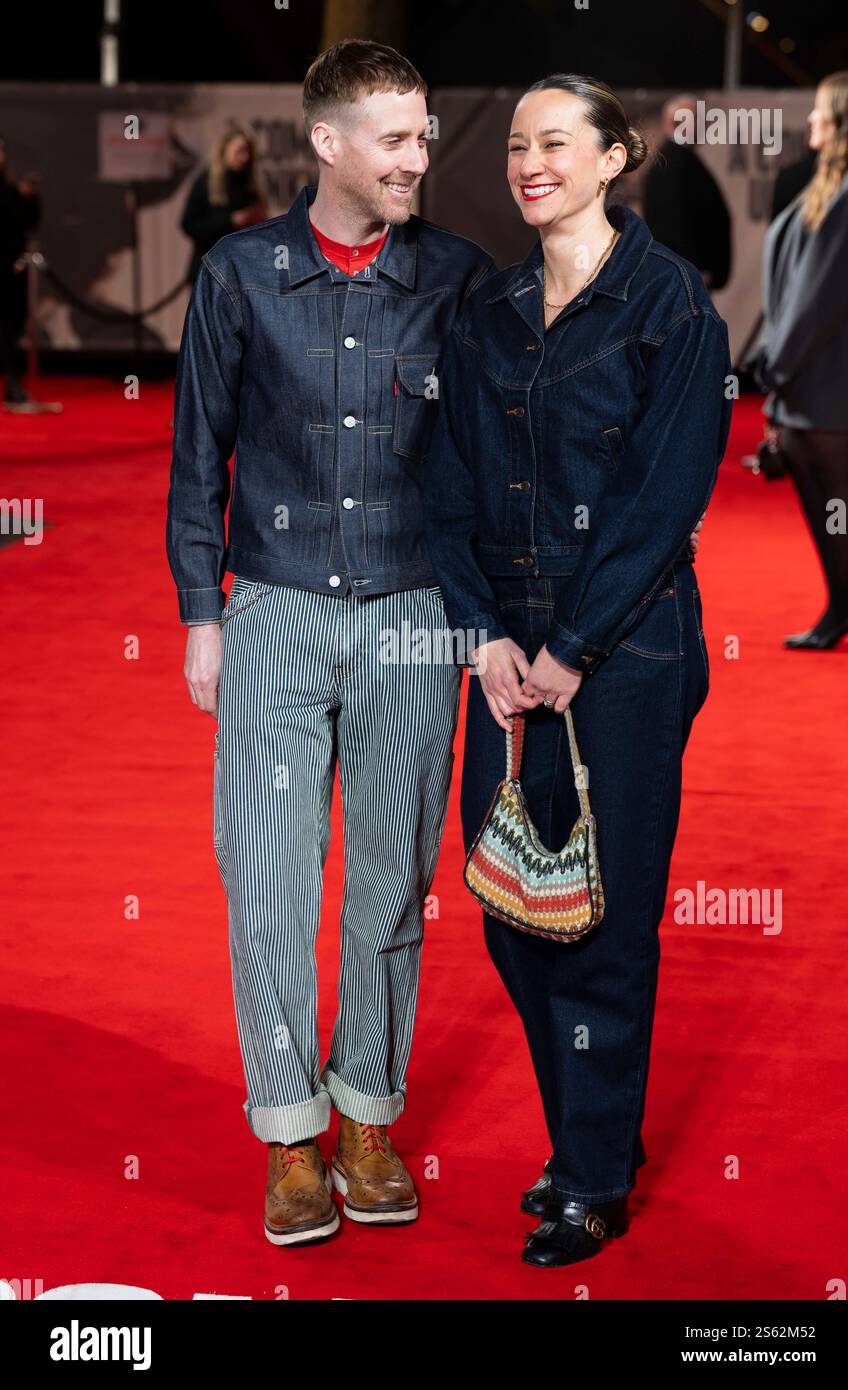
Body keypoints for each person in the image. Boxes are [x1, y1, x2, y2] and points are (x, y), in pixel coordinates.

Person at [166, 40, 494, 1247]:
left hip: (414, 615)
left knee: (390, 884)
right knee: (265, 885)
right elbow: (198, 451)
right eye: (397, 139)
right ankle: (289, 1136)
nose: (419, 157)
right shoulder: (239, 274)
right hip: (276, 608)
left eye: (422, 135)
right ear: (329, 145)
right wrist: (202, 615)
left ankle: (367, 1115)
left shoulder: (455, 276)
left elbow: (488, 458)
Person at [424, 73, 733, 1267]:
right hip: (503, 657)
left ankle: (590, 1172)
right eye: (515, 144)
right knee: (508, 907)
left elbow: (662, 506)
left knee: (602, 925)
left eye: (555, 142)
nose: (528, 161)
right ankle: (588, 1136)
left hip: (628, 655)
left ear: (613, 160)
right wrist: (483, 635)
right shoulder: (487, 310)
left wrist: (570, 650)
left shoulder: (672, 310)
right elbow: (447, 487)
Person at [749, 71, 848, 650]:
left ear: (844, 122)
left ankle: (844, 607)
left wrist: (774, 364)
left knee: (837, 493)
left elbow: (821, 299)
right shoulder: (835, 184)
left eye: (822, 111)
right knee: (822, 485)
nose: (812, 119)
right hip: (811, 368)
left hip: (827, 371)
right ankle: (843, 605)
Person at [642, 93, 731, 292]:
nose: (704, 127)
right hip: (685, 280)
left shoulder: (681, 161)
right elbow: (671, 225)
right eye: (698, 121)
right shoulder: (672, 164)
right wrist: (692, 270)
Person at [179, 126, 269, 285]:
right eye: (239, 151)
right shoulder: (206, 183)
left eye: (248, 152)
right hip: (208, 269)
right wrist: (230, 220)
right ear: (225, 150)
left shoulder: (250, 186)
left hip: (243, 271)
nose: (244, 158)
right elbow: (188, 224)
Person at [0, 135, 41, 406]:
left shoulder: (11, 190)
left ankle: (13, 383)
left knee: (11, 329)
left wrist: (30, 199)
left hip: (10, 271)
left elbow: (27, 223)